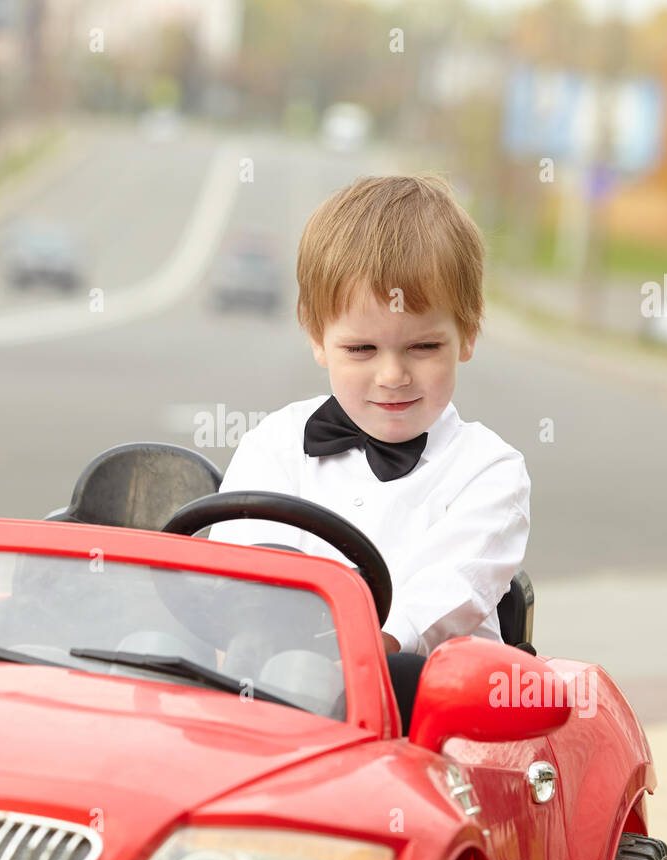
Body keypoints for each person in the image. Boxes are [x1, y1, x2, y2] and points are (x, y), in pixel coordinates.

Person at [205, 175, 531, 733]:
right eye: (361, 349)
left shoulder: (491, 471)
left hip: (430, 723)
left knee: (369, 676)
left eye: (424, 347)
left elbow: (448, 588)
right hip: (276, 701)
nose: (392, 375)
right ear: (316, 335)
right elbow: (245, 567)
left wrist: (364, 649)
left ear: (469, 332)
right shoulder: (277, 443)